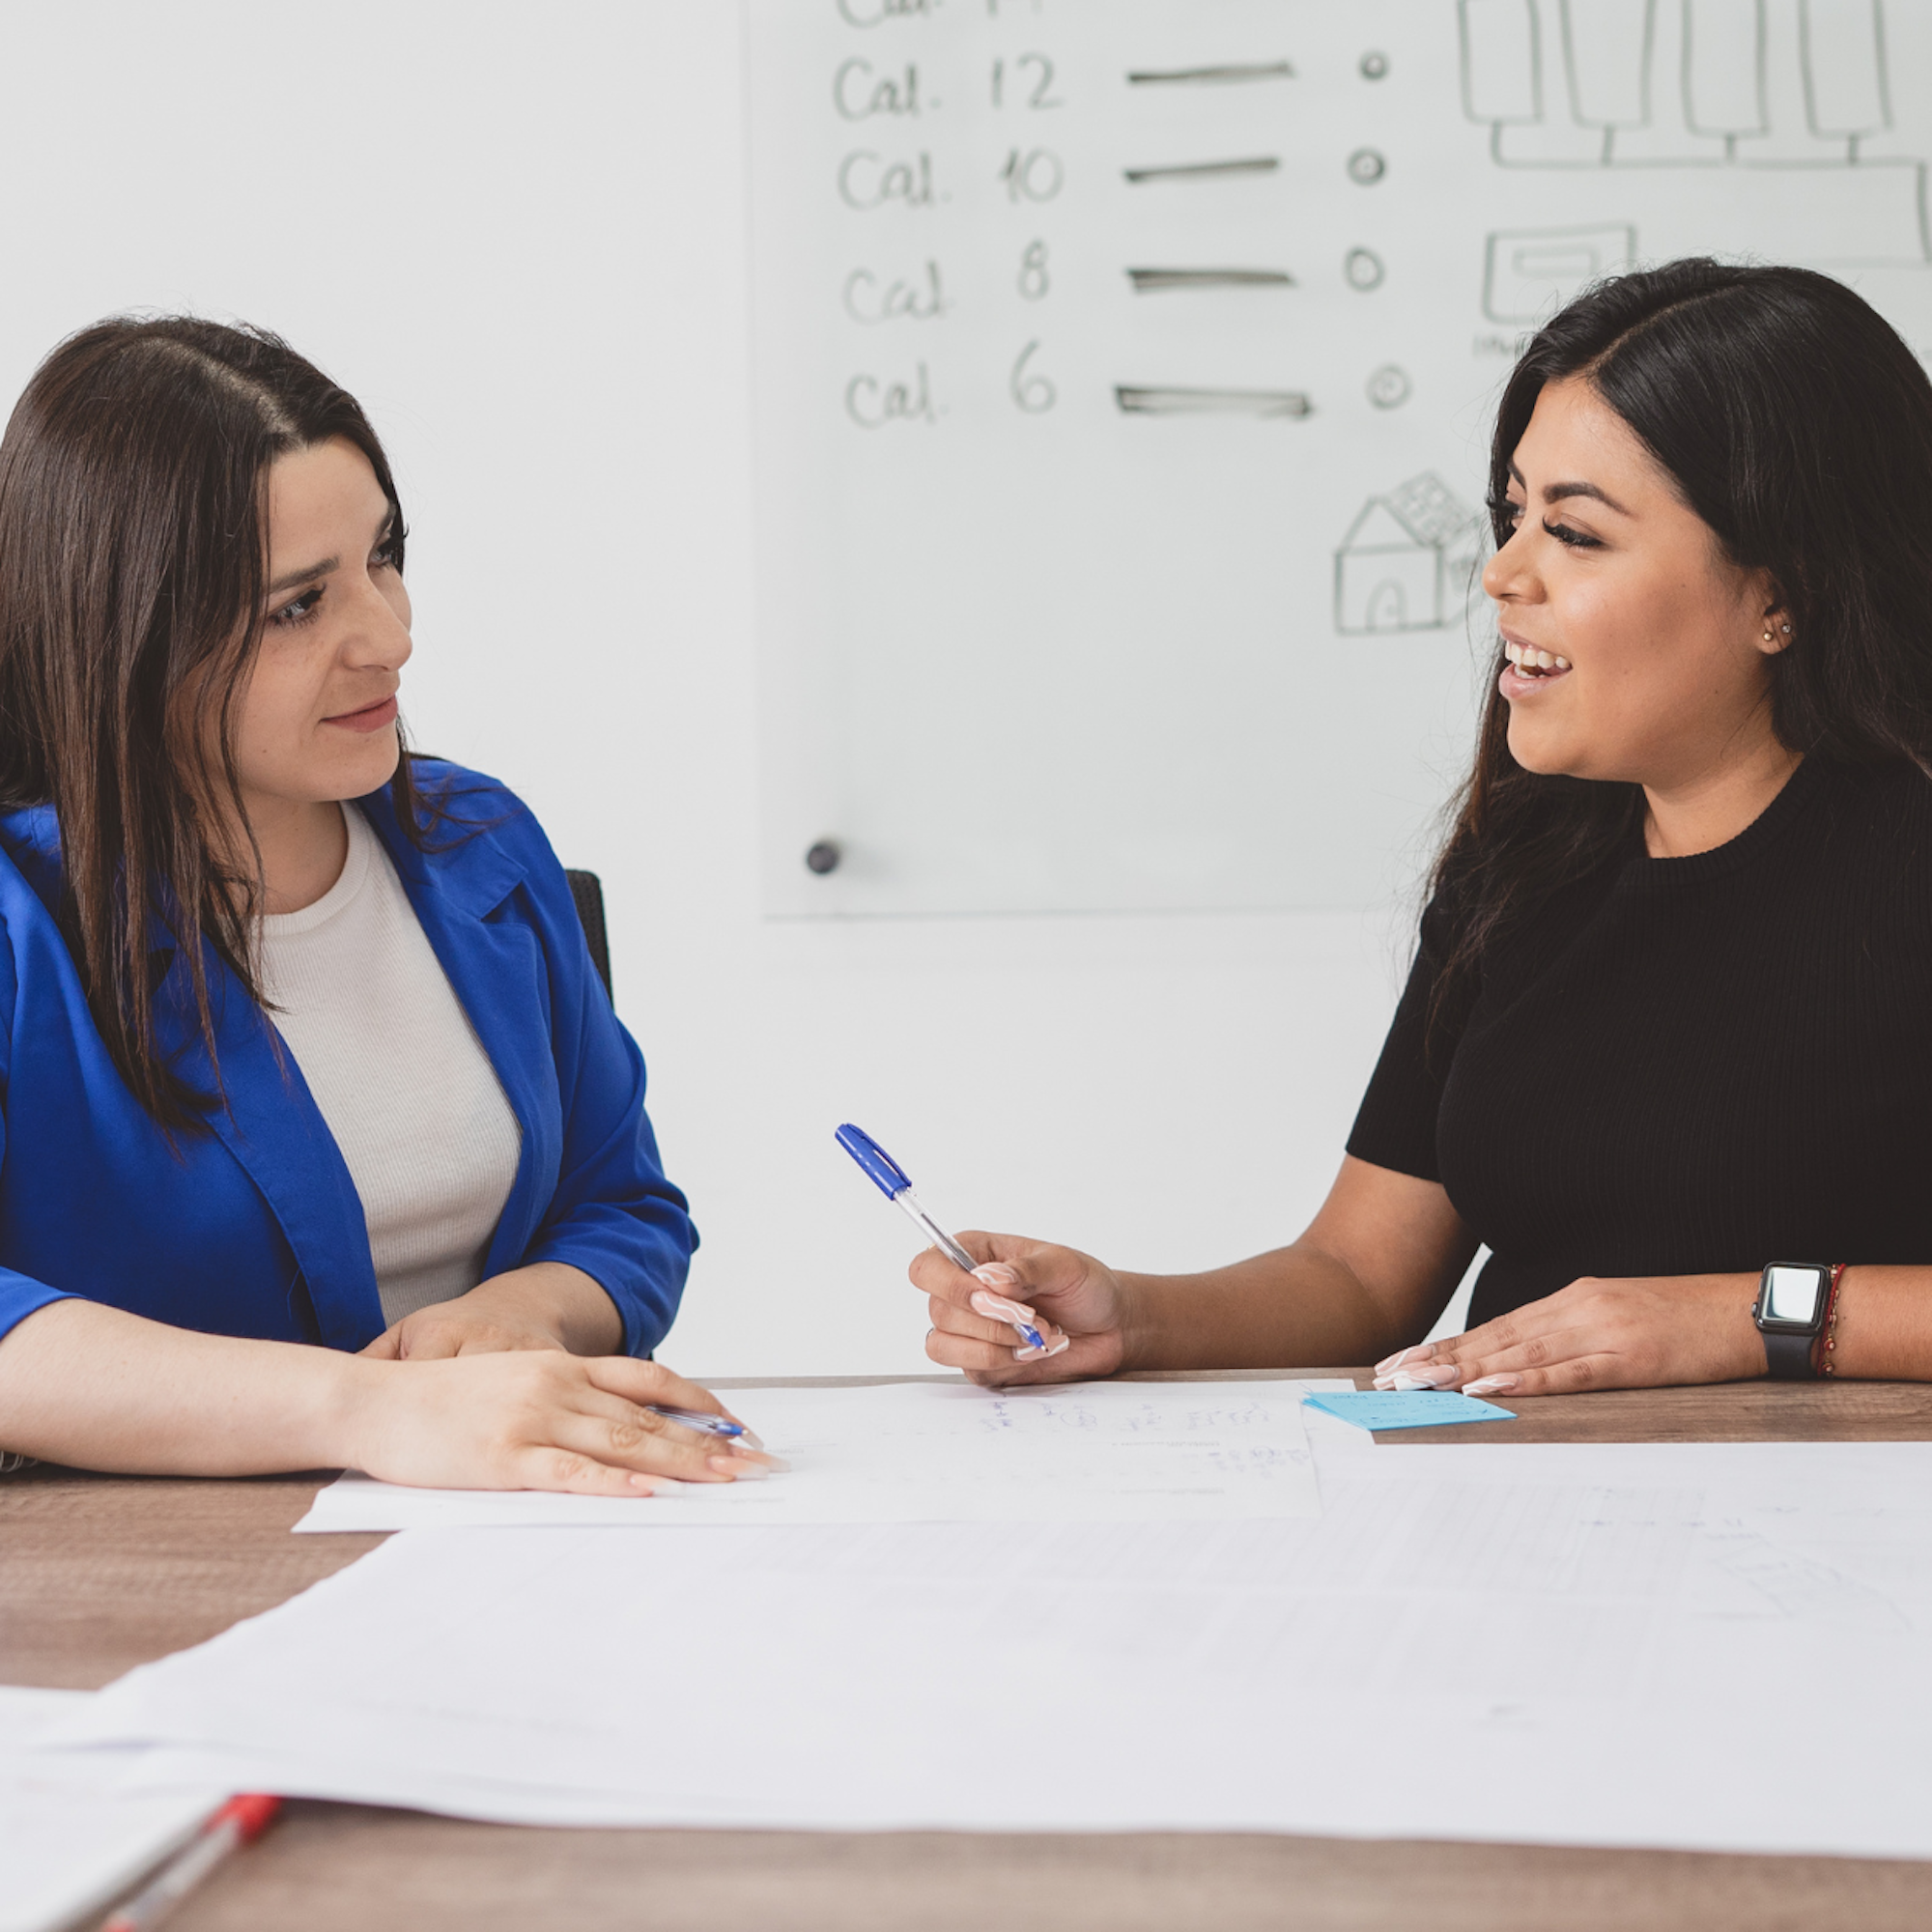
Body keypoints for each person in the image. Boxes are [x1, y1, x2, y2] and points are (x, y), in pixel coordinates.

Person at [915, 258, 1932, 1397]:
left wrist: (1746, 1318)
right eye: (1511, 515)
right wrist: (1126, 1316)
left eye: (1573, 532)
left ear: (1780, 593)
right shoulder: (1527, 862)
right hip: (1519, 1489)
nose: (1500, 573)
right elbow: (1358, 1275)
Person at [0, 317, 770, 1492]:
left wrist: (527, 1309)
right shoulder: (22, 923)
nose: (390, 636)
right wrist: (369, 1409)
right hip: (156, 1567)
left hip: (485, 1540)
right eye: (296, 606)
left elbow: (622, 1205)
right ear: (127, 637)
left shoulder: (481, 843)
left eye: (384, 556)